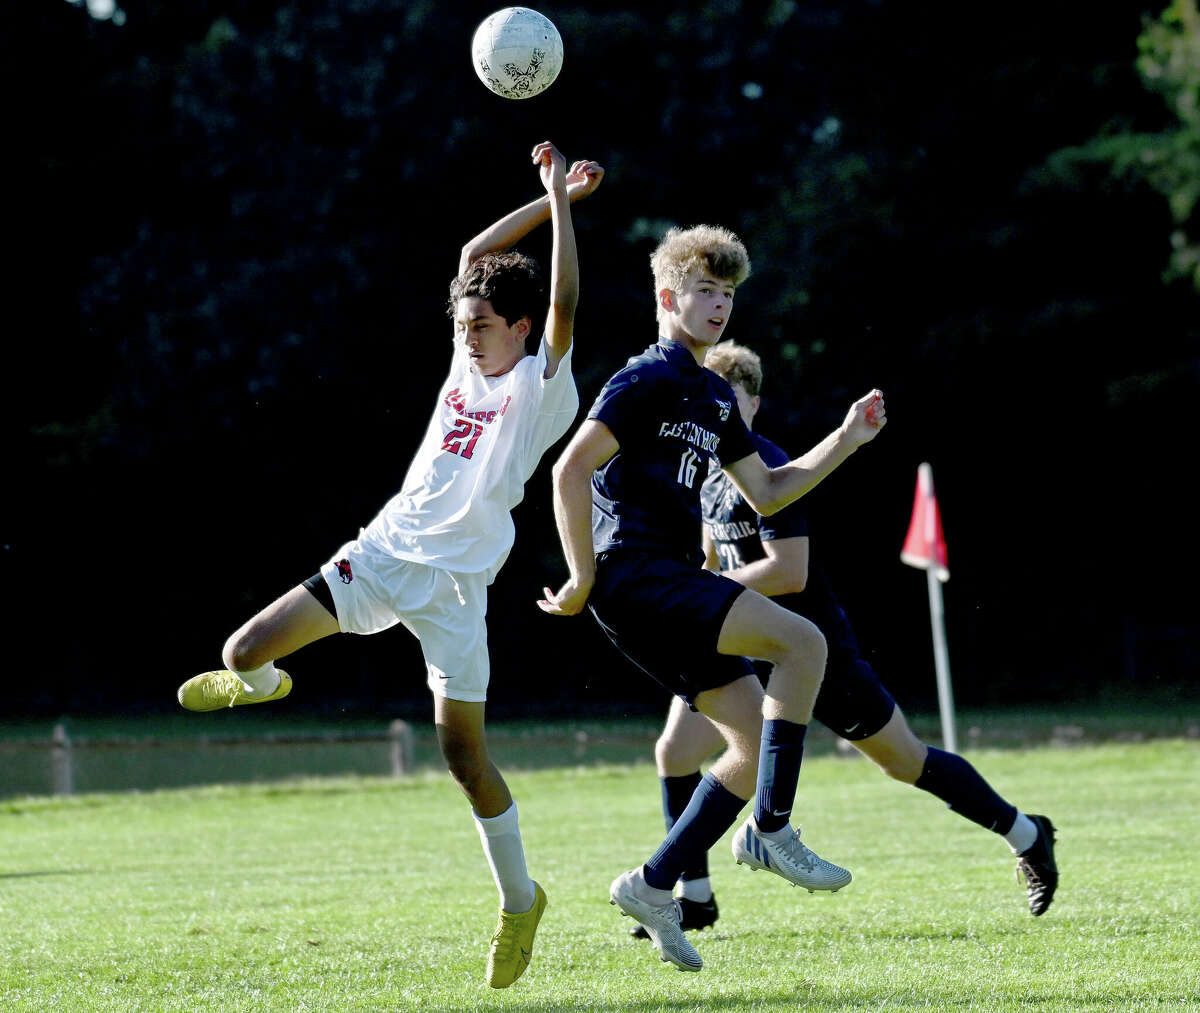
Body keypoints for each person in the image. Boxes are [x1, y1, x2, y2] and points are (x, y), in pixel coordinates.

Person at [176, 142, 604, 990]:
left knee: (464, 761)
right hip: (377, 553)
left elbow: (561, 299)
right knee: (240, 652)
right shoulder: (463, 359)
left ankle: (521, 900)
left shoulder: (538, 389)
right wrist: (537, 195)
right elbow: (471, 260)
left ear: (517, 332)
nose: (467, 336)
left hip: (453, 594)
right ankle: (265, 686)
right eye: (461, 325)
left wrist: (562, 203)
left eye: (481, 326)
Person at [538, 225, 886, 972]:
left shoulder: (713, 395)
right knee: (807, 643)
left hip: (659, 583)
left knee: (749, 745)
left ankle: (656, 882)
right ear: (668, 298)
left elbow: (766, 489)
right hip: (636, 574)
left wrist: (846, 440)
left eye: (727, 293)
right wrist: (578, 574)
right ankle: (772, 827)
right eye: (704, 290)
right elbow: (569, 469)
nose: (719, 304)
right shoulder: (645, 378)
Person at [627, 342, 1057, 946]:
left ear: (751, 400)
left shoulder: (769, 463)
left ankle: (1027, 834)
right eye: (709, 398)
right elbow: (708, 555)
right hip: (745, 642)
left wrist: (705, 588)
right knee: (675, 751)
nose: (718, 410)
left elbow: (788, 571)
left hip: (813, 649)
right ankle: (691, 897)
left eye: (731, 397)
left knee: (903, 760)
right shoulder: (705, 476)